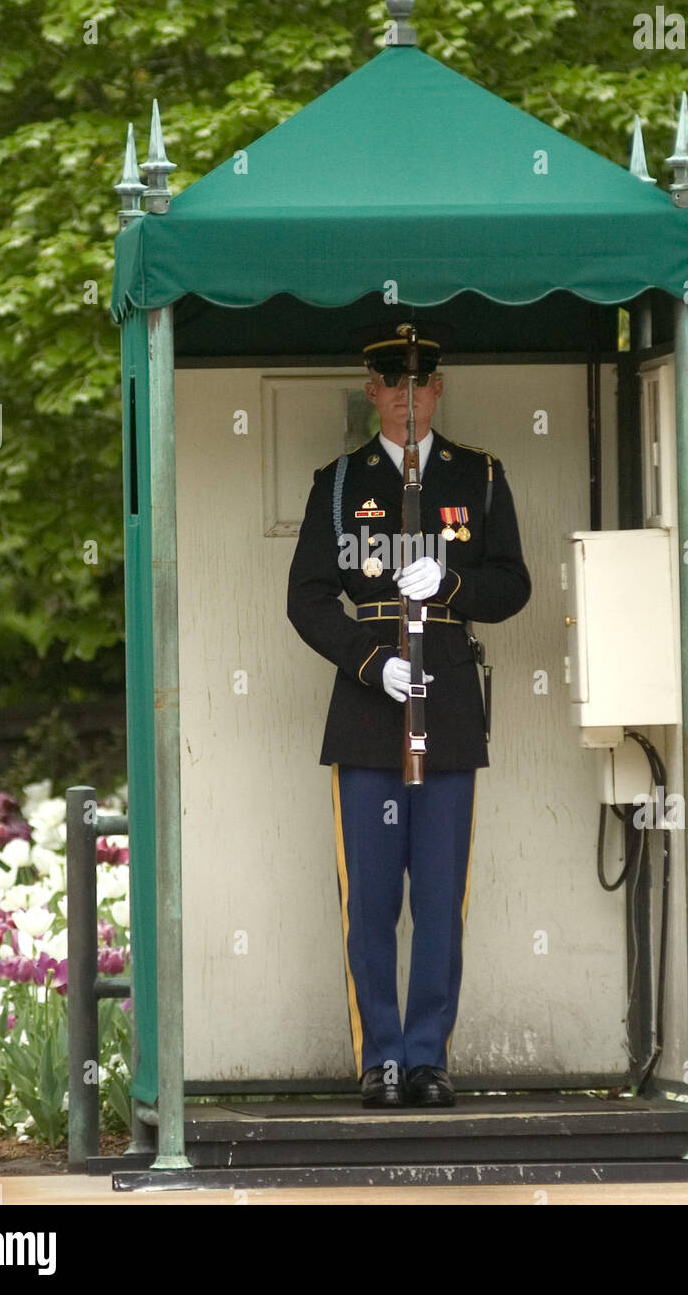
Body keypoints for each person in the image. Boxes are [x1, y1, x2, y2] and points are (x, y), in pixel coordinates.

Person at [286, 325, 531, 1108]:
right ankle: (380, 1058)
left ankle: (427, 1057)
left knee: (437, 898)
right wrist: (368, 659)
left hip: (450, 705)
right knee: (369, 898)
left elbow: (512, 584)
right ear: (371, 390)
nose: (405, 390)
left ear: (437, 389)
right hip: (368, 709)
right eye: (390, 376)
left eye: (419, 377)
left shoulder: (480, 476)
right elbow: (308, 597)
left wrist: (451, 580)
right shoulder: (337, 483)